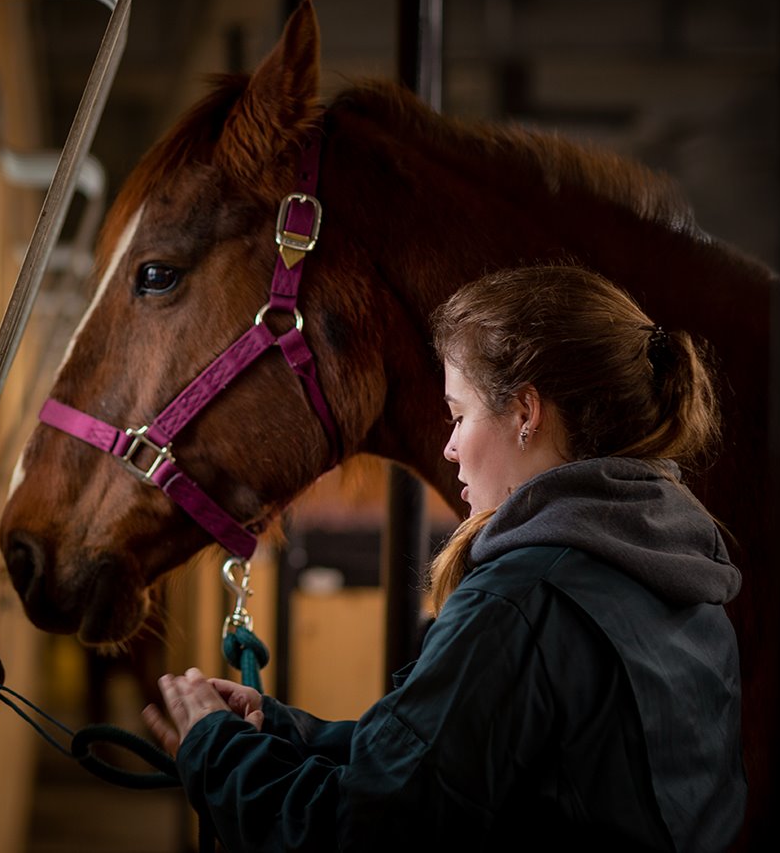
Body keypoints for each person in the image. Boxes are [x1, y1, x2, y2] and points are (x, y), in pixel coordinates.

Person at [142, 265, 746, 851]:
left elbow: (355, 831)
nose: (450, 448)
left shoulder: (518, 603)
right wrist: (283, 732)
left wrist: (213, 750)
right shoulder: (677, 567)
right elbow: (451, 764)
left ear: (525, 414)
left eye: (459, 415)